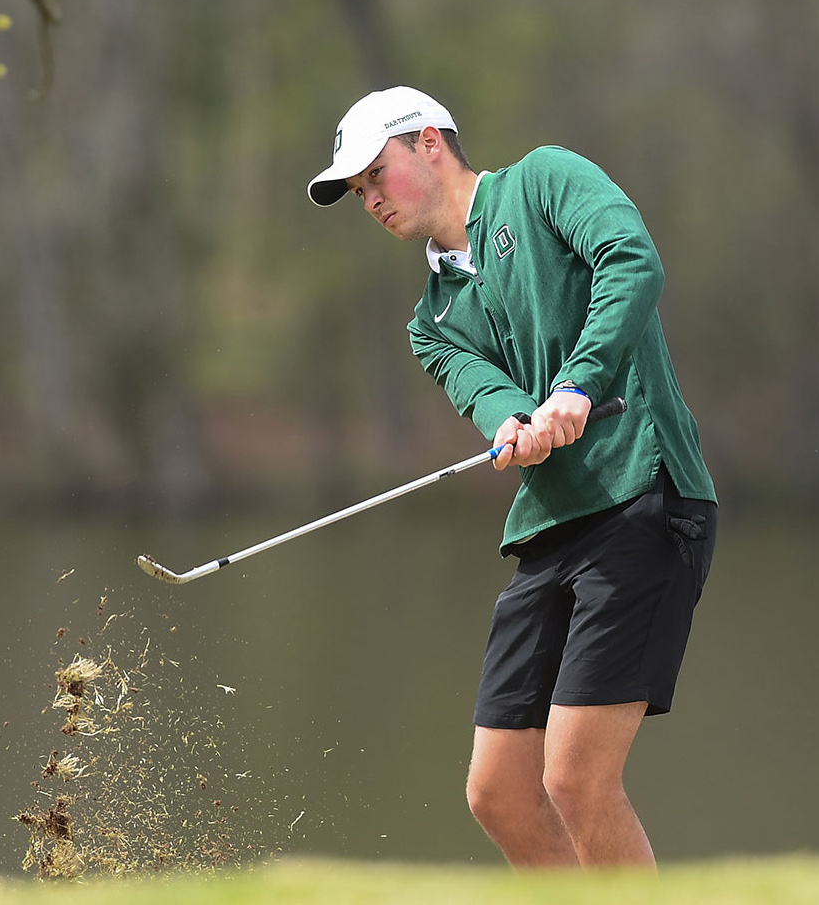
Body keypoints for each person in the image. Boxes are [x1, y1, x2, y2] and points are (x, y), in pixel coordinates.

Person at [307, 86, 718, 869]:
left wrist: (576, 385)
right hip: (553, 526)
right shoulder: (429, 321)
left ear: (429, 142)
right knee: (497, 790)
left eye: (374, 175)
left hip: (644, 492)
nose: (369, 200)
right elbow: (484, 390)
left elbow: (632, 261)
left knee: (574, 776)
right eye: (357, 191)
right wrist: (511, 422)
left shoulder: (544, 180)